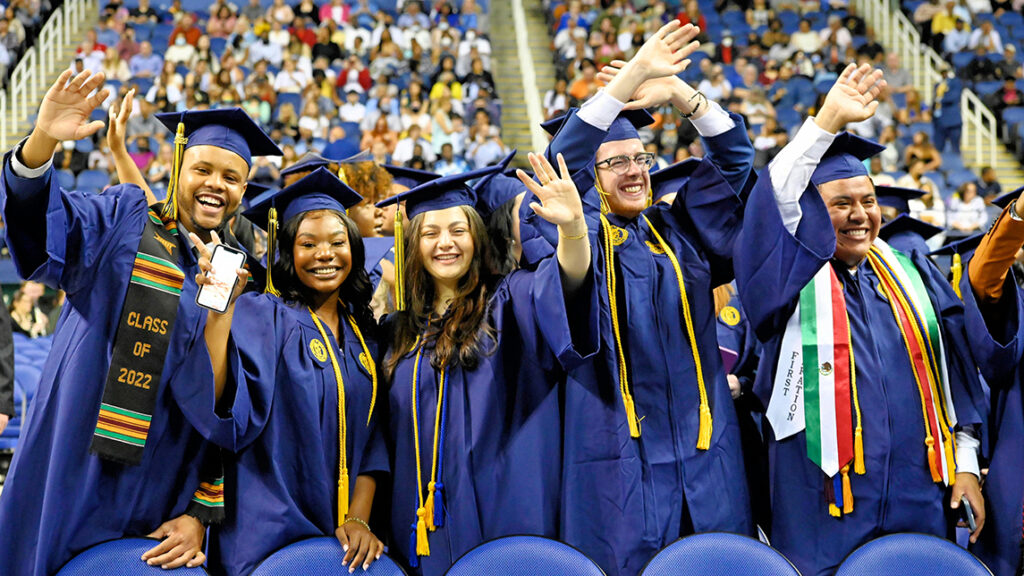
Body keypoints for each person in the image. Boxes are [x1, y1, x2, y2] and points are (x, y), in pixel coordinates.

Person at [0, 70, 282, 576]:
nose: (215, 185)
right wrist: (41, 142)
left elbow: (226, 415)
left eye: (231, 177)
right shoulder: (126, 219)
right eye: (203, 169)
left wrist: (199, 513)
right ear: (177, 168)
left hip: (164, 487)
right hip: (75, 462)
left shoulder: (239, 280)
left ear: (243, 190)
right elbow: (49, 232)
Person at [518, 21, 757, 576]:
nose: (634, 172)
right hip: (618, 457)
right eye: (615, 162)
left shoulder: (679, 231)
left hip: (707, 452)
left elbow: (734, 164)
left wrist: (679, 93)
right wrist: (625, 82)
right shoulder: (570, 237)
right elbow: (561, 171)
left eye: (641, 159)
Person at [734, 63, 986, 576]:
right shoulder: (787, 283)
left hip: (921, 491)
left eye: (868, 201)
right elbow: (773, 206)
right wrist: (826, 120)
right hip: (823, 500)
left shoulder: (914, 275)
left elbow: (956, 380)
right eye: (841, 203)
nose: (860, 214)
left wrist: (965, 465)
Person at [375, 155, 596, 575]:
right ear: (413, 244)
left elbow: (568, 283)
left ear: (477, 238)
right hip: (422, 520)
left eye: (458, 231)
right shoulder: (397, 331)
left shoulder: (510, 301)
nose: (445, 243)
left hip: (506, 509)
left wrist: (572, 230)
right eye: (430, 233)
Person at [172, 168, 388, 575]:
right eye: (308, 244)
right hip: (267, 530)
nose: (325, 254)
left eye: (337, 242)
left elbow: (374, 437)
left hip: (345, 536)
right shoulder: (264, 314)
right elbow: (220, 402)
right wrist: (221, 311)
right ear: (287, 251)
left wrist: (359, 517)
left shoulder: (364, 335)